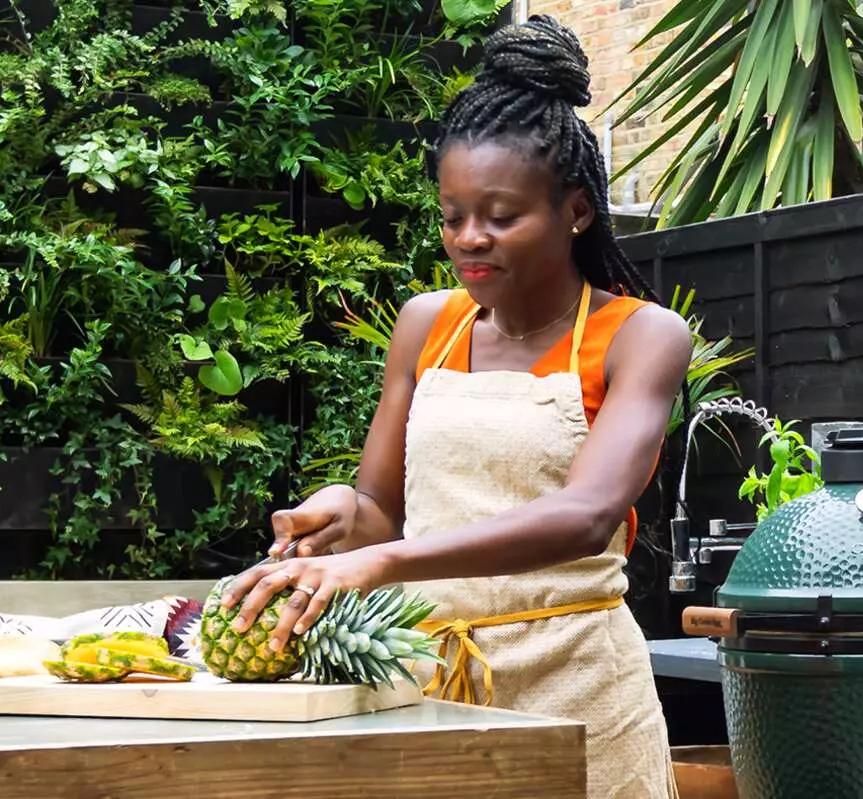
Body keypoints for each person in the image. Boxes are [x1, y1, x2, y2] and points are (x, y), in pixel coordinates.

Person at [213, 14, 691, 799]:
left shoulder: (640, 335)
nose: (470, 237)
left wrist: (382, 561)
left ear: (575, 210)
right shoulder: (426, 325)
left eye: (501, 217)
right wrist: (341, 517)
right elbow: (382, 509)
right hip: (430, 687)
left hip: (581, 690)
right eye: (452, 216)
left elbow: (584, 515)